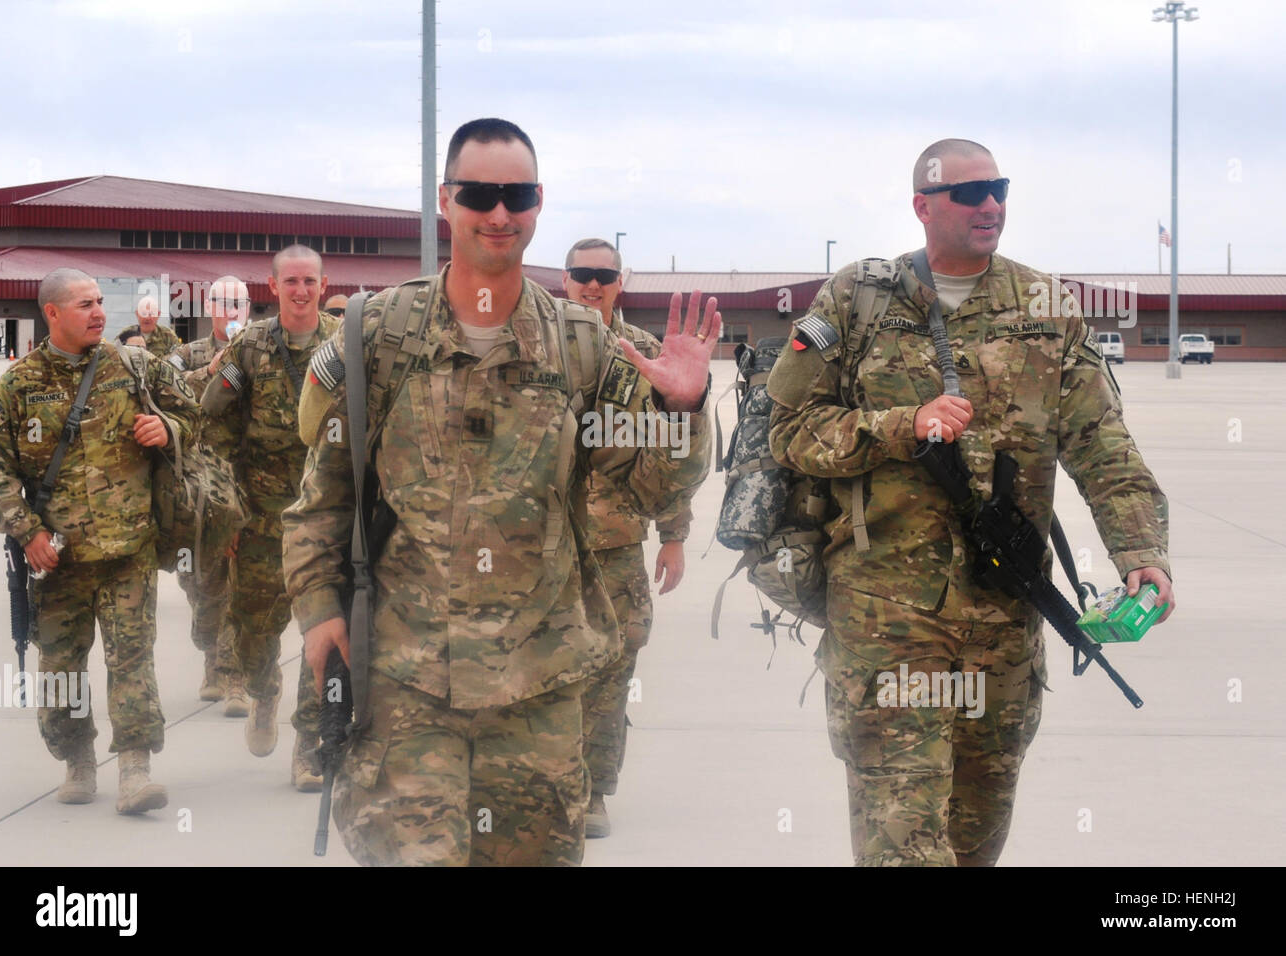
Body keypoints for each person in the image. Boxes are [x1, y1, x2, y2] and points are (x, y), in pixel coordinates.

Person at [284, 117, 714, 866]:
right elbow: (322, 495)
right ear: (446, 200)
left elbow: (648, 486)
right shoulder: (377, 335)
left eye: (516, 194)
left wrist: (681, 412)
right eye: (480, 193)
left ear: (539, 202)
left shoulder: (582, 347)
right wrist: (319, 612)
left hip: (538, 684)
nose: (499, 213)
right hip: (406, 680)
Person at [767, 138, 1175, 866]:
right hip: (886, 613)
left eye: (1000, 188)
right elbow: (791, 433)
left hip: (1004, 615)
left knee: (974, 835)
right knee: (904, 838)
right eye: (970, 192)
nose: (991, 204)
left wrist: (1141, 552)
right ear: (923, 207)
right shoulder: (858, 299)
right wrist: (900, 426)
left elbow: (1100, 441)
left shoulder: (1048, 306)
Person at [0, 268, 198, 813]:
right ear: (51, 313)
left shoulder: (134, 365)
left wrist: (166, 429)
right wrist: (25, 531)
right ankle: (77, 760)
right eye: (84, 304)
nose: (99, 311)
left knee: (133, 659)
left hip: (129, 550)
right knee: (60, 668)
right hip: (57, 560)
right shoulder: (16, 385)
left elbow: (192, 412)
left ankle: (134, 769)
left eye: (100, 301)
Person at [560, 237, 692, 839]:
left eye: (604, 275)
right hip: (541, 542)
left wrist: (674, 534)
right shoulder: (538, 344)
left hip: (615, 541)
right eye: (582, 274)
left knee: (613, 669)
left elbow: (670, 451)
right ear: (565, 279)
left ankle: (592, 790)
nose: (592, 284)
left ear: (620, 282)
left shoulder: (644, 355)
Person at [200, 247, 339, 791]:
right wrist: (226, 513)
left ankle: (310, 744)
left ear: (323, 286)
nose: (300, 290)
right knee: (253, 632)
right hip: (258, 518)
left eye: (309, 281)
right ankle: (262, 691)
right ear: (272, 285)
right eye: (291, 281)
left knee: (323, 633)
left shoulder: (346, 344)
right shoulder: (250, 346)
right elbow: (213, 426)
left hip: (326, 518)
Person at [168, 275, 250, 716]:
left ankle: (232, 678)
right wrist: (213, 370)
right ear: (211, 308)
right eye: (224, 303)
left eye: (240, 303)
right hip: (199, 490)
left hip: (247, 483)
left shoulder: (258, 349)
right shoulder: (185, 355)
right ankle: (210, 654)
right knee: (203, 589)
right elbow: (171, 398)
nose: (233, 312)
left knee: (239, 587)